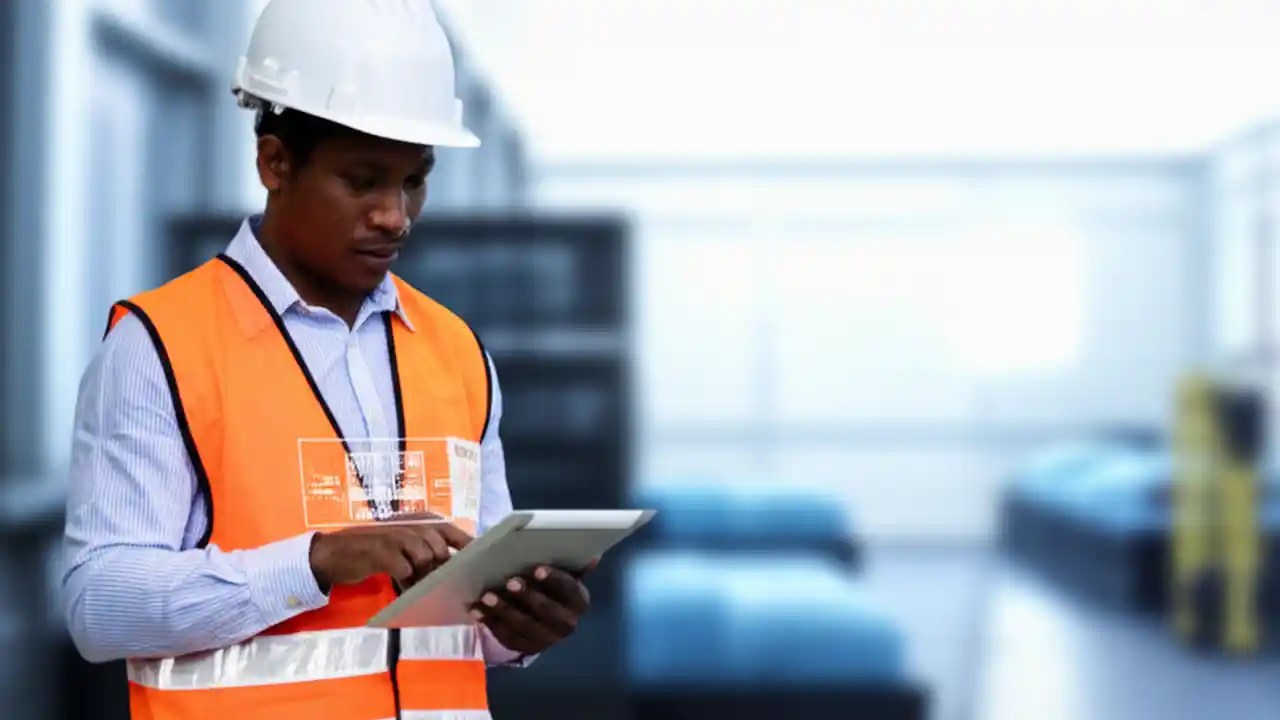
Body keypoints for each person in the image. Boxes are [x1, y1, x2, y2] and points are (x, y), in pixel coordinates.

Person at [60, 1, 591, 717]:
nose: (394, 215)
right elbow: (98, 608)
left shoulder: (456, 351)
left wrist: (520, 625)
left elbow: (468, 624)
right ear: (275, 162)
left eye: (414, 181)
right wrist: (314, 561)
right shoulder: (161, 348)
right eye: (363, 180)